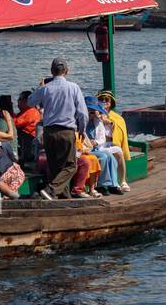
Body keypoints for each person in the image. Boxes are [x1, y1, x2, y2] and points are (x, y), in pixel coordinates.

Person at [27, 57, 88, 200]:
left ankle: (63, 198)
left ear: (51, 71)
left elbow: (30, 101)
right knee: (70, 166)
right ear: (67, 71)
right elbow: (82, 113)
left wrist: (40, 87)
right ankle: (50, 191)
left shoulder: (45, 89)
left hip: (49, 133)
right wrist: (82, 130)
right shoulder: (73, 87)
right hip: (66, 131)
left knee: (56, 168)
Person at [84, 97, 124, 194]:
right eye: (90, 111)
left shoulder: (97, 121)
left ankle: (113, 184)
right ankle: (102, 184)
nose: (92, 114)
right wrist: (89, 142)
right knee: (104, 156)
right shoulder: (81, 121)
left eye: (94, 112)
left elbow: (102, 138)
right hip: (85, 148)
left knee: (111, 157)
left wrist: (96, 142)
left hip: (96, 147)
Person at [96, 91, 131, 192]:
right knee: (107, 155)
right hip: (99, 144)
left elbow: (120, 132)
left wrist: (110, 122)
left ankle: (123, 181)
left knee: (119, 152)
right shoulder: (94, 113)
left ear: (111, 103)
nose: (104, 102)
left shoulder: (117, 117)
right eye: (101, 99)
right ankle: (107, 184)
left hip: (111, 142)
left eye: (106, 100)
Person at [12, 91, 42, 166]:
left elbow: (16, 124)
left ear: (26, 101)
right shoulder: (26, 111)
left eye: (20, 99)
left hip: (29, 141)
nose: (18, 101)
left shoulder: (31, 112)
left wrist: (9, 115)